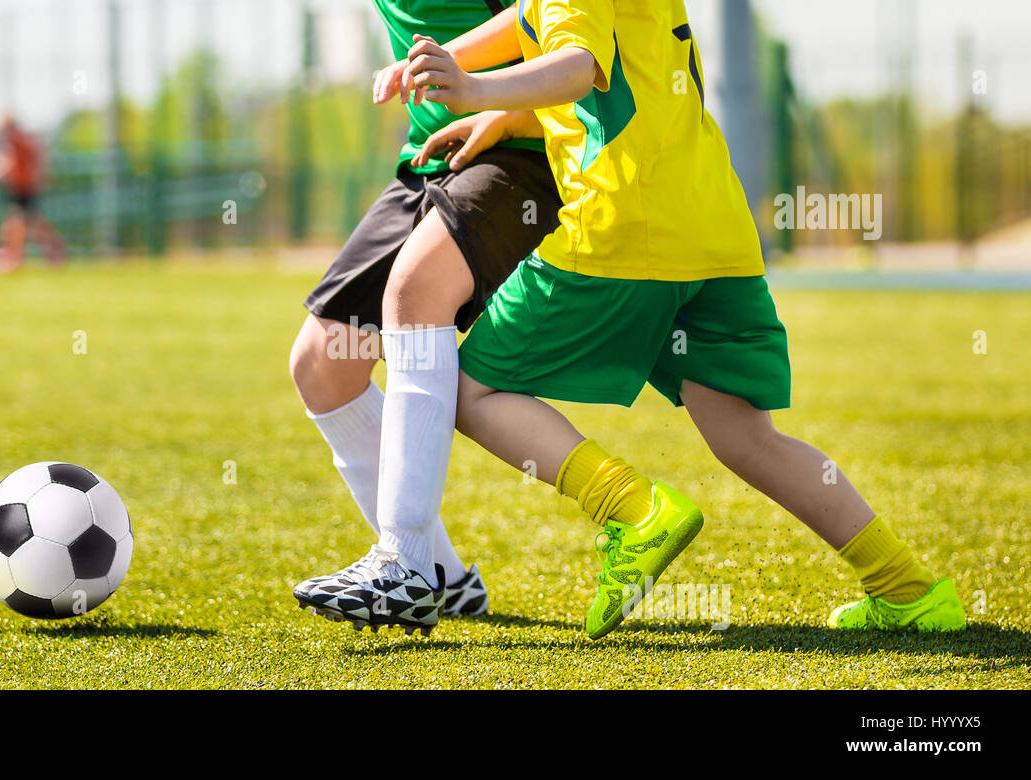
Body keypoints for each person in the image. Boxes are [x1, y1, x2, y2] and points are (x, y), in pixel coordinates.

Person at [303, 0, 966, 638]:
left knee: (469, 389)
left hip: (626, 233)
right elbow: (623, 80)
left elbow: (577, 64)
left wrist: (474, 90)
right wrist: (506, 118)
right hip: (715, 233)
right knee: (746, 435)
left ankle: (631, 508)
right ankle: (909, 590)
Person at [289, 2, 563, 626]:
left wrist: (497, 97)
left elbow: (568, 26)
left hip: (523, 147)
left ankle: (406, 563)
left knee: (415, 292)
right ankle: (442, 577)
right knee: (322, 362)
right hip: (428, 156)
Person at [0, 116, 66, 271]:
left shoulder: (21, 142)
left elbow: (32, 161)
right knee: (24, 222)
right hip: (18, 189)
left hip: (25, 188)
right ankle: (50, 250)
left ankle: (20, 255)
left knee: (19, 222)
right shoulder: (14, 144)